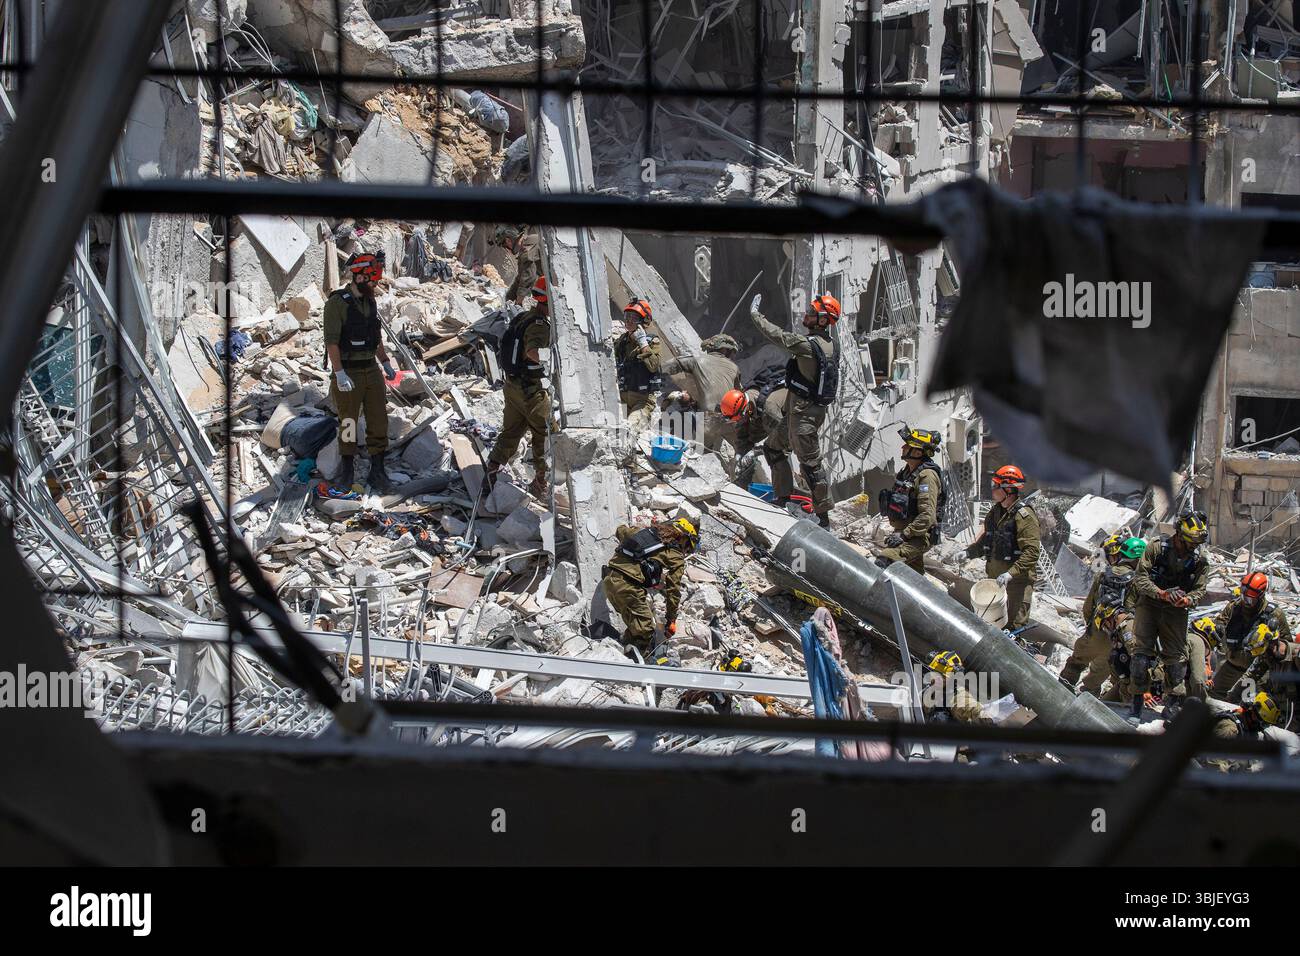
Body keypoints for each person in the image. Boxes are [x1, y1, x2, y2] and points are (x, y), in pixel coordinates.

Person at [748, 292, 841, 526]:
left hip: (804, 417)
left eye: (813, 314)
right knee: (773, 448)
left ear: (822, 321)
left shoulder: (808, 346)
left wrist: (755, 316)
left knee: (811, 465)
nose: (807, 316)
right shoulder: (830, 345)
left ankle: (823, 518)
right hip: (799, 412)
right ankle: (783, 499)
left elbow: (777, 335)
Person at [325, 251, 397, 493]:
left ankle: (378, 471)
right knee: (348, 421)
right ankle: (347, 471)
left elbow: (374, 336)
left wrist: (385, 361)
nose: (374, 285)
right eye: (371, 281)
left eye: (375, 281)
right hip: (349, 372)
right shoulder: (337, 303)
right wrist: (339, 373)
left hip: (371, 369)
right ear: (358, 277)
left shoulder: (370, 301)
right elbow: (332, 342)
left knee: (379, 420)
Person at [1131, 509, 1210, 719]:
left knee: (1177, 661)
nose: (1193, 547)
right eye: (1190, 542)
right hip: (1150, 605)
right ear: (1179, 536)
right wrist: (1161, 594)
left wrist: (1188, 600)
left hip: (1176, 612)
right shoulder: (1156, 548)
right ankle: (1137, 700)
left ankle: (1173, 704)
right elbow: (1140, 578)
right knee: (1140, 657)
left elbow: (1200, 590)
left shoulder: (1199, 560)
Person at [486, 276, 552, 499]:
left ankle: (491, 473)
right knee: (546, 435)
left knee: (511, 433)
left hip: (513, 386)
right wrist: (555, 362)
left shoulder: (524, 316)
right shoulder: (540, 325)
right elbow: (533, 352)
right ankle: (540, 483)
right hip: (531, 391)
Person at [600, 518, 698, 658]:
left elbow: (620, 530)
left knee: (636, 626)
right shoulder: (675, 554)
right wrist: (671, 619)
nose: (685, 550)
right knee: (645, 630)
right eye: (687, 545)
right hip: (628, 587)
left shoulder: (645, 533)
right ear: (682, 537)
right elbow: (673, 589)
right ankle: (636, 667)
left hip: (609, 580)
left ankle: (620, 649)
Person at [1059, 536, 1145, 694]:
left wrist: (1092, 628)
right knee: (1097, 678)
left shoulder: (1104, 574)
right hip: (1118, 640)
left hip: (1096, 633)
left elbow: (1088, 606)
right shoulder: (1140, 581)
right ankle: (1087, 705)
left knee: (1074, 665)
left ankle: (1059, 694)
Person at [718, 385, 815, 518]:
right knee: (761, 443)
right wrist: (740, 456)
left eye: (738, 417)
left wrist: (758, 451)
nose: (739, 420)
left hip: (802, 417)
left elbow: (786, 440)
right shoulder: (747, 402)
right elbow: (743, 435)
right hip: (771, 417)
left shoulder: (769, 411)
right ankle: (780, 492)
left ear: (745, 409)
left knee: (773, 452)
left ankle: (786, 498)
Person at [965, 465, 1041, 629]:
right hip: (995, 584)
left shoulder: (1024, 516)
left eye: (996, 486)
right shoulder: (995, 513)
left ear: (1008, 489)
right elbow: (986, 542)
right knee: (990, 625)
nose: (992, 490)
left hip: (1015, 587)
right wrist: (968, 553)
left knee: (1012, 630)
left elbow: (1032, 552)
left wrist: (1010, 574)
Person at [1204, 572, 1294, 700]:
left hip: (1256, 671)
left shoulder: (1274, 614)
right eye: (1243, 597)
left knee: (1249, 704)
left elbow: (1287, 644)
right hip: (1232, 665)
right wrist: (1217, 627)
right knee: (1213, 695)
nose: (1246, 602)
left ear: (1261, 596)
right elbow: (1219, 623)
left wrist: (1273, 642)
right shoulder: (1233, 607)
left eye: (1250, 599)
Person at [876, 426, 945, 573]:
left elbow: (927, 516)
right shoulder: (908, 471)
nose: (903, 447)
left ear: (918, 452)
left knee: (885, 561)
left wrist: (903, 534)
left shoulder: (927, 476)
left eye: (908, 446)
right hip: (906, 532)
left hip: (919, 535)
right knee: (913, 573)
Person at [660, 334, 742, 450]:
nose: (732, 356)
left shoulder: (698, 360)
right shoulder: (734, 368)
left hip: (707, 422)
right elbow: (738, 396)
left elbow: (669, 365)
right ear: (725, 350)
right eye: (732, 352)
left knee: (690, 450)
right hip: (730, 423)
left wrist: (652, 373)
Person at [613, 298, 663, 433]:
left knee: (629, 431)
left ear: (643, 322)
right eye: (627, 316)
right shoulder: (622, 341)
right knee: (613, 432)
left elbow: (653, 366)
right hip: (623, 398)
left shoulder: (652, 341)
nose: (628, 320)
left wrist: (643, 343)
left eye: (634, 318)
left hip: (642, 400)